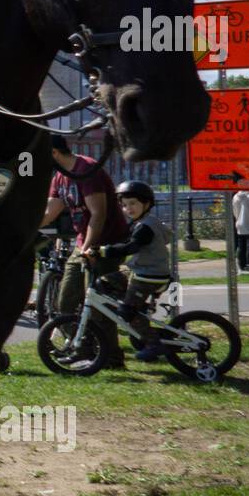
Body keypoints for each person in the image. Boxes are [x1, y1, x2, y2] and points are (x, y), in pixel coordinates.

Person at [40, 134, 130, 367]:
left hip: (107, 243)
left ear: (54, 153)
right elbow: (50, 212)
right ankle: (84, 346)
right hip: (84, 244)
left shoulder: (86, 169)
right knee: (65, 301)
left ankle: (111, 356)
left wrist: (89, 249)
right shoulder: (60, 177)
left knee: (99, 302)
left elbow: (98, 214)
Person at [94, 181, 174, 363]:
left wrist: (105, 251)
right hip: (139, 272)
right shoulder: (140, 223)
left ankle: (154, 344)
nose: (128, 208)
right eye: (124, 205)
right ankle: (139, 311)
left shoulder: (145, 227)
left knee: (126, 311)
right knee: (104, 282)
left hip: (149, 276)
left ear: (146, 204)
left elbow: (131, 247)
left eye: (133, 204)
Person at [232, 188, 249, 269]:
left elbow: (235, 212)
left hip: (239, 223)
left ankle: (241, 264)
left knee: (241, 246)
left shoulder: (236, 196)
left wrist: (237, 219)